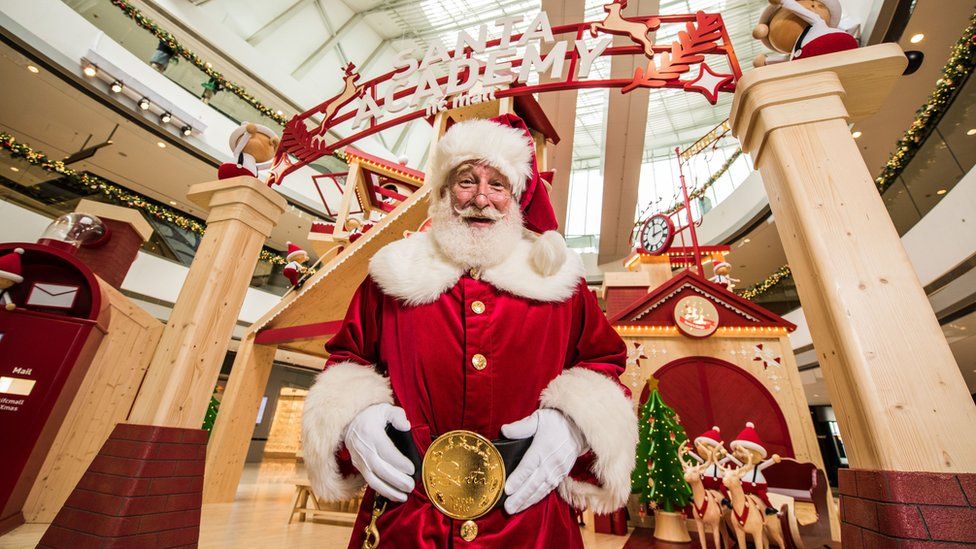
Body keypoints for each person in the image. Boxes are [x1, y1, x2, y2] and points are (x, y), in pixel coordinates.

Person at [302, 113, 637, 547]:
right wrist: (352, 418)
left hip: (530, 525)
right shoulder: (391, 276)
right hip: (407, 519)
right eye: (466, 180)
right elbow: (348, 358)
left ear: (516, 198)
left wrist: (574, 425)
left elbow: (603, 360)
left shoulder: (562, 288)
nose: (481, 197)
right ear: (443, 192)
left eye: (497, 184)